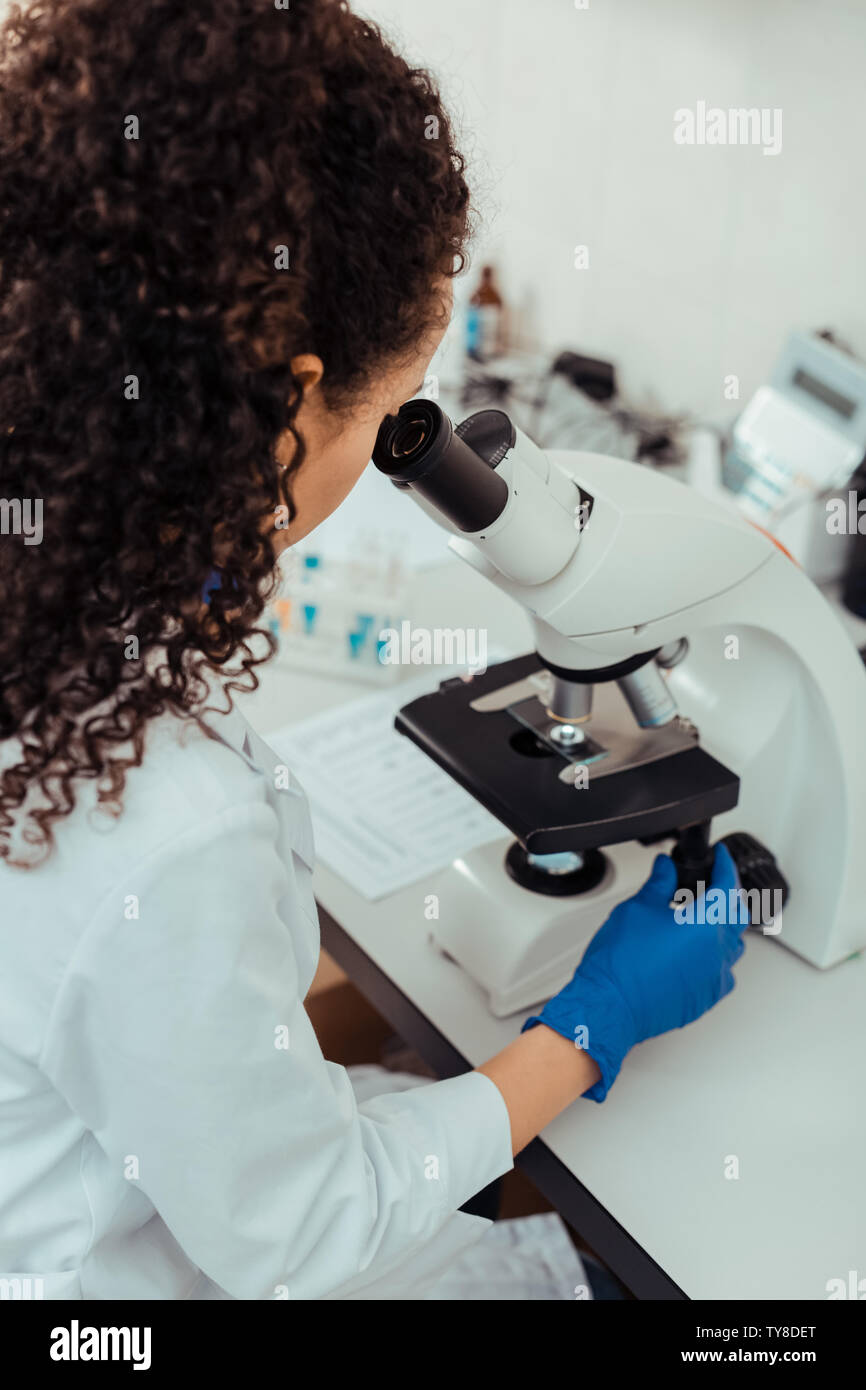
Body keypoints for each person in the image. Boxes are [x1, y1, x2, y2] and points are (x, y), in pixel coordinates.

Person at [0, 0, 747, 1300]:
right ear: (287, 406)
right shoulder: (161, 826)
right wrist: (592, 1022)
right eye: (400, 406)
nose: (410, 437)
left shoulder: (54, 572)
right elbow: (305, 1234)